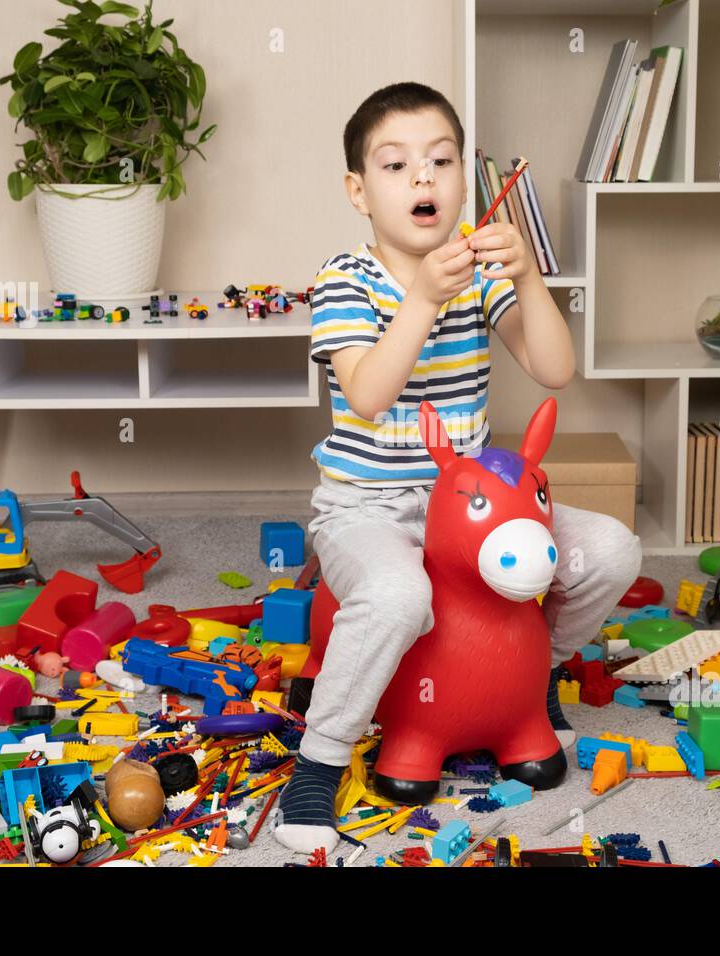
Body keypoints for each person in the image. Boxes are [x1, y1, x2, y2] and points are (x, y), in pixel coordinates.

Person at [274, 82, 642, 855]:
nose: (423, 179)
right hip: (367, 510)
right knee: (399, 596)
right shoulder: (343, 280)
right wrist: (420, 302)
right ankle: (319, 760)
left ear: (465, 185)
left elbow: (554, 369)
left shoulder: (478, 273)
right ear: (358, 190)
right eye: (397, 164)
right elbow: (369, 394)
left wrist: (529, 277)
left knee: (611, 550)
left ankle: (536, 671)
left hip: (476, 512)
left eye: (442, 161)